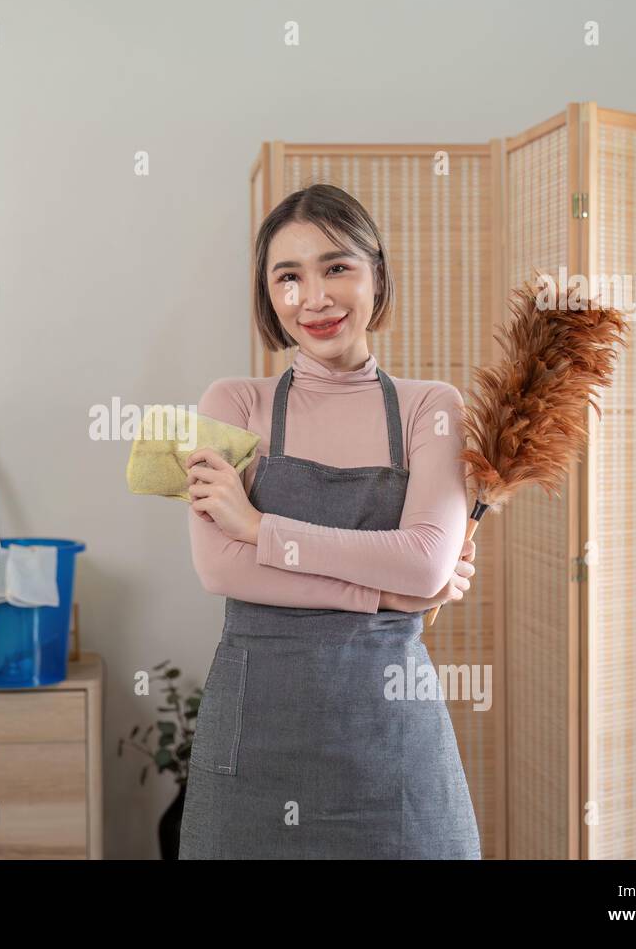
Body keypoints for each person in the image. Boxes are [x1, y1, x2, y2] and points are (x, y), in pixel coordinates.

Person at [179, 182, 481, 859]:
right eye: (288, 277)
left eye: (337, 267)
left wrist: (261, 530)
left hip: (390, 747)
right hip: (255, 737)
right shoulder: (232, 404)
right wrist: (385, 592)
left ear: (377, 273)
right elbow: (217, 569)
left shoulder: (432, 406)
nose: (313, 298)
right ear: (268, 294)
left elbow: (428, 561)